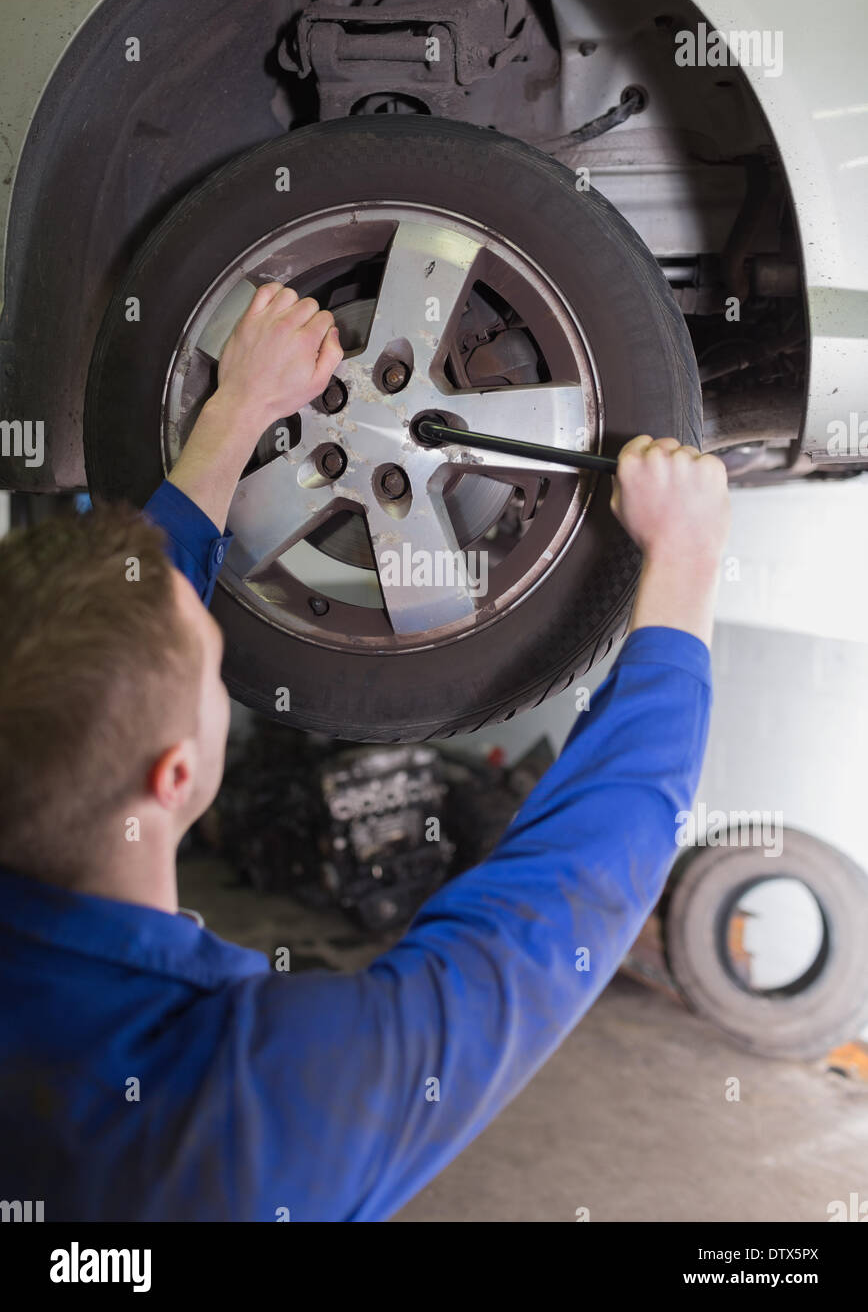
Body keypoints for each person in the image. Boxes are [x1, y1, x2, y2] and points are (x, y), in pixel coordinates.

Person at [0, 284, 729, 1221]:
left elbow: (119, 637)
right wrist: (688, 561)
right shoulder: (243, 1108)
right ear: (176, 775)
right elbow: (561, 905)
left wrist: (237, 412)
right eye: (211, 666)